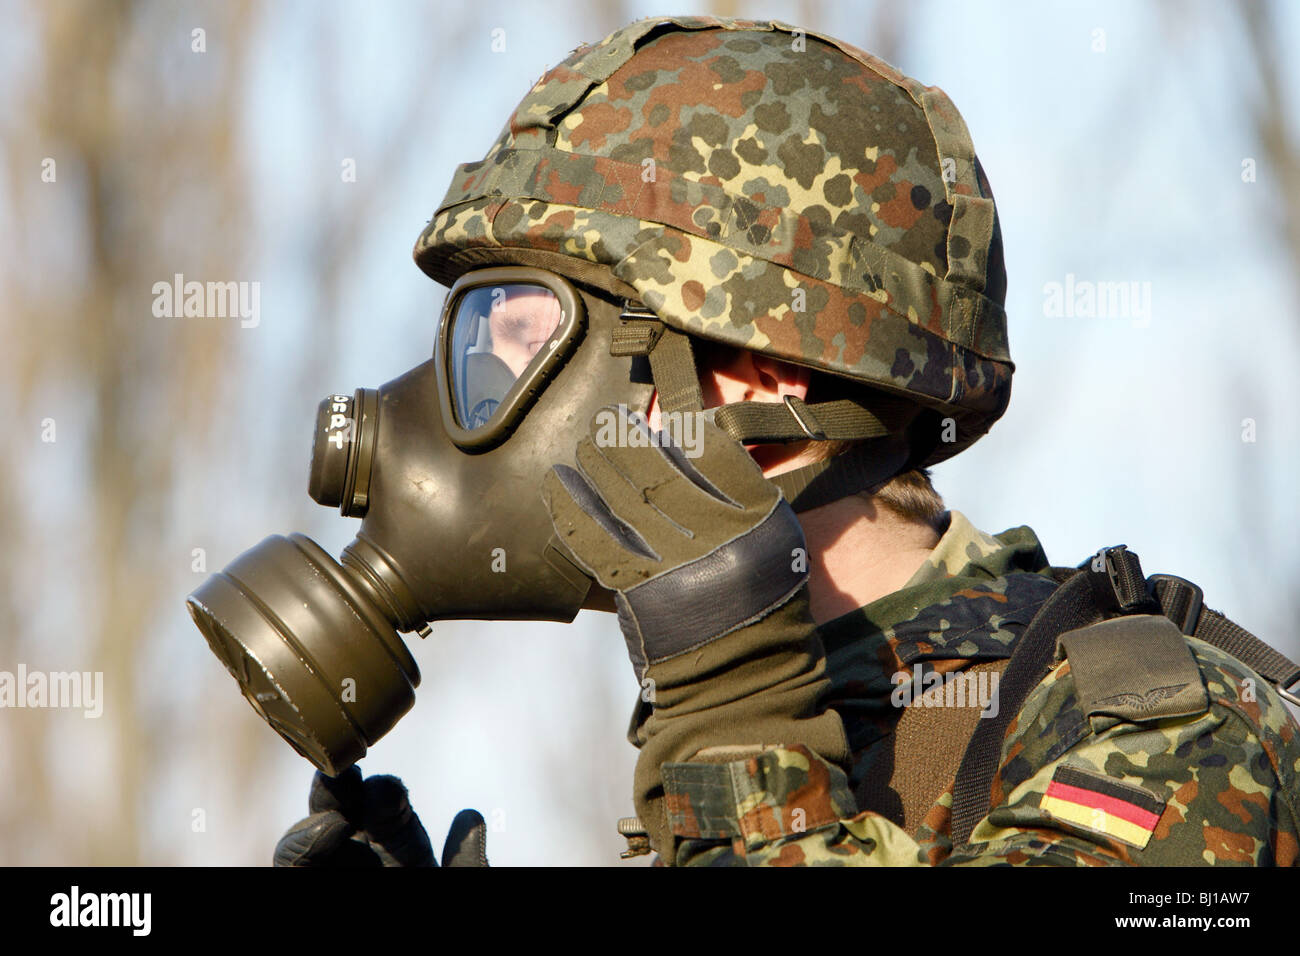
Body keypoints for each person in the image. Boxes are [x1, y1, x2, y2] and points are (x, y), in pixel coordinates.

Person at [273, 15, 1300, 867]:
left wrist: (736, 719)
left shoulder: (1165, 733)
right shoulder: (725, 749)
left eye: (525, 338)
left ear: (762, 382)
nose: (473, 407)